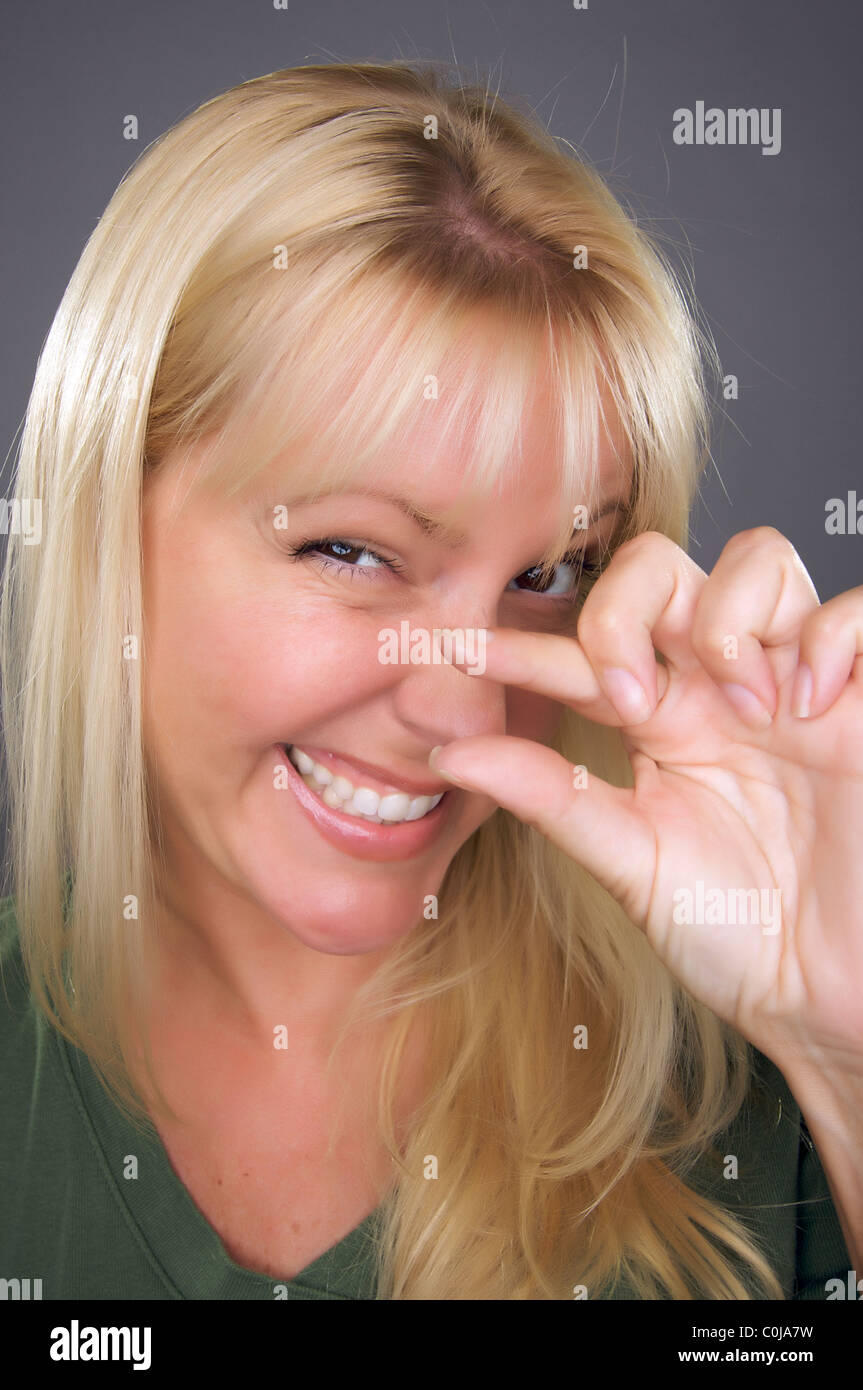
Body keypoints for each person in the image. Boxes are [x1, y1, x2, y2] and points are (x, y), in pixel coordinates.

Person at [0, 59, 859, 1302]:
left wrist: (839, 1052)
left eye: (555, 570)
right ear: (101, 521)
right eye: (350, 551)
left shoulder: (739, 1083)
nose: (461, 717)